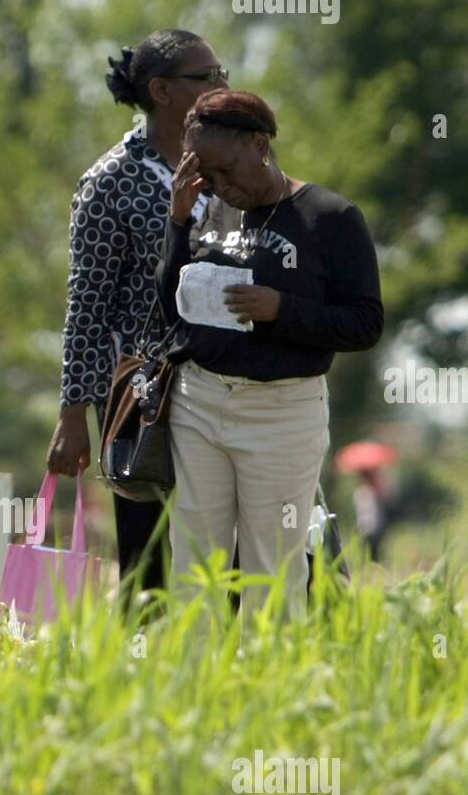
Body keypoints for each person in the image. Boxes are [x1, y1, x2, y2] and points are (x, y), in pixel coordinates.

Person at [156, 90, 384, 616]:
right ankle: (196, 689)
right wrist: (177, 221)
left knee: (273, 565)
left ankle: (270, 688)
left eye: (225, 169)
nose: (218, 184)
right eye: (203, 173)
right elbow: (173, 308)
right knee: (195, 565)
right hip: (201, 400)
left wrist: (281, 308)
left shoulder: (330, 217)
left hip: (282, 411)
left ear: (260, 145)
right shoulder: (208, 212)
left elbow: (365, 323)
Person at [46, 30, 233, 601]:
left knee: (227, 548)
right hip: (142, 396)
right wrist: (74, 413)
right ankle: (140, 666)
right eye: (206, 77)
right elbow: (88, 306)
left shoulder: (234, 168)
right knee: (147, 550)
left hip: (228, 379)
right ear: (161, 91)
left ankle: (229, 668)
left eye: (222, 72)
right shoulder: (111, 183)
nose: (222, 84)